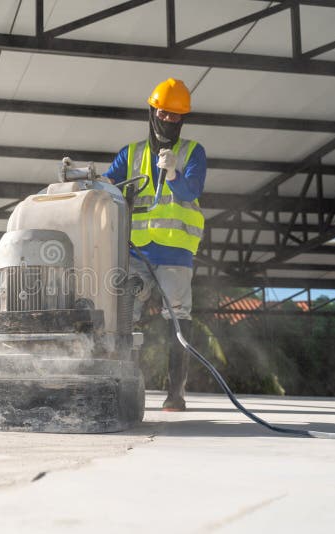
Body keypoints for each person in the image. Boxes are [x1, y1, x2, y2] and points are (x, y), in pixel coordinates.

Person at [104, 78, 207, 411]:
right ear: (152, 112)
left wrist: (174, 174)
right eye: (163, 113)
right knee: (125, 314)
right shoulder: (131, 153)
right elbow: (107, 186)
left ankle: (175, 394)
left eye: (175, 116)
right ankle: (122, 387)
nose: (168, 120)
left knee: (177, 317)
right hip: (136, 251)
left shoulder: (192, 152)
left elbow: (192, 191)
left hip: (175, 252)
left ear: (183, 119)